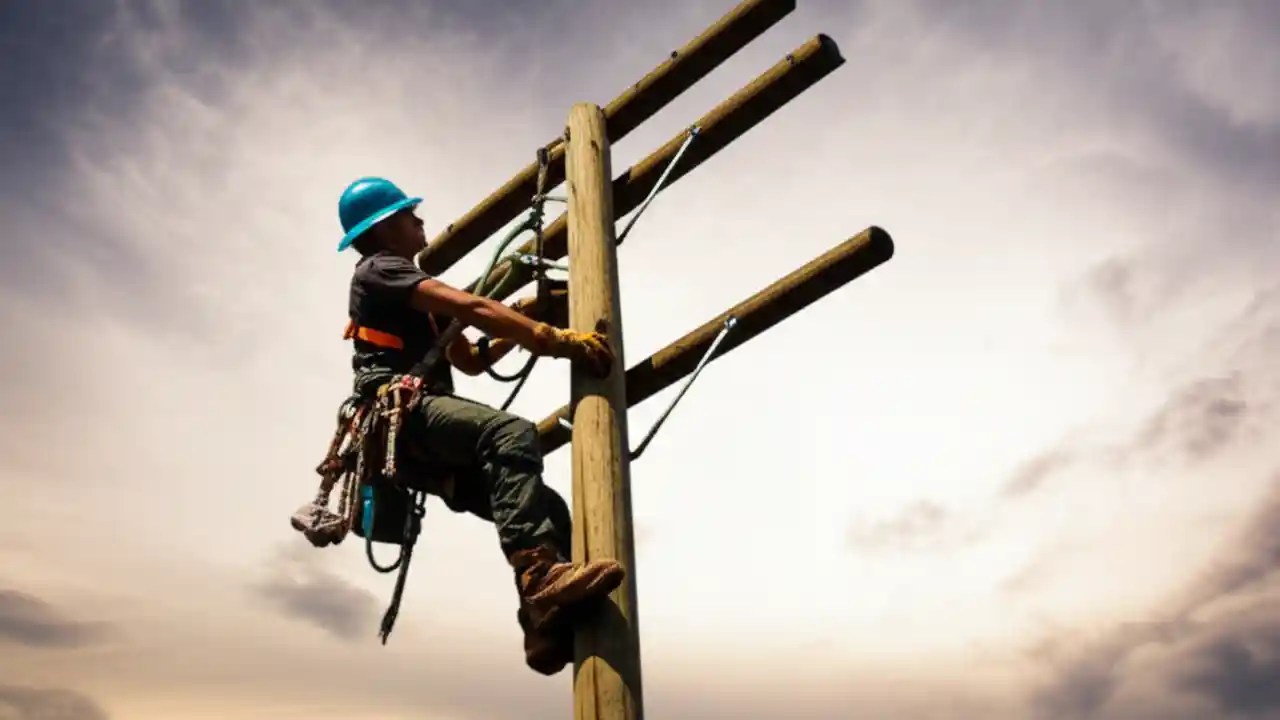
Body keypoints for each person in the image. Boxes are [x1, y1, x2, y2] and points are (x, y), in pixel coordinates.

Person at [336, 176, 623, 675]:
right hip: (400, 417)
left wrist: (525, 316)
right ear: (385, 229)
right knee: (509, 433)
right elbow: (471, 307)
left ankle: (544, 624)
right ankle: (538, 575)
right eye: (410, 214)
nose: (421, 220)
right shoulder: (380, 269)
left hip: (417, 440)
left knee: (548, 509)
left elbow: (468, 358)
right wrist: (552, 338)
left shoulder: (403, 290)